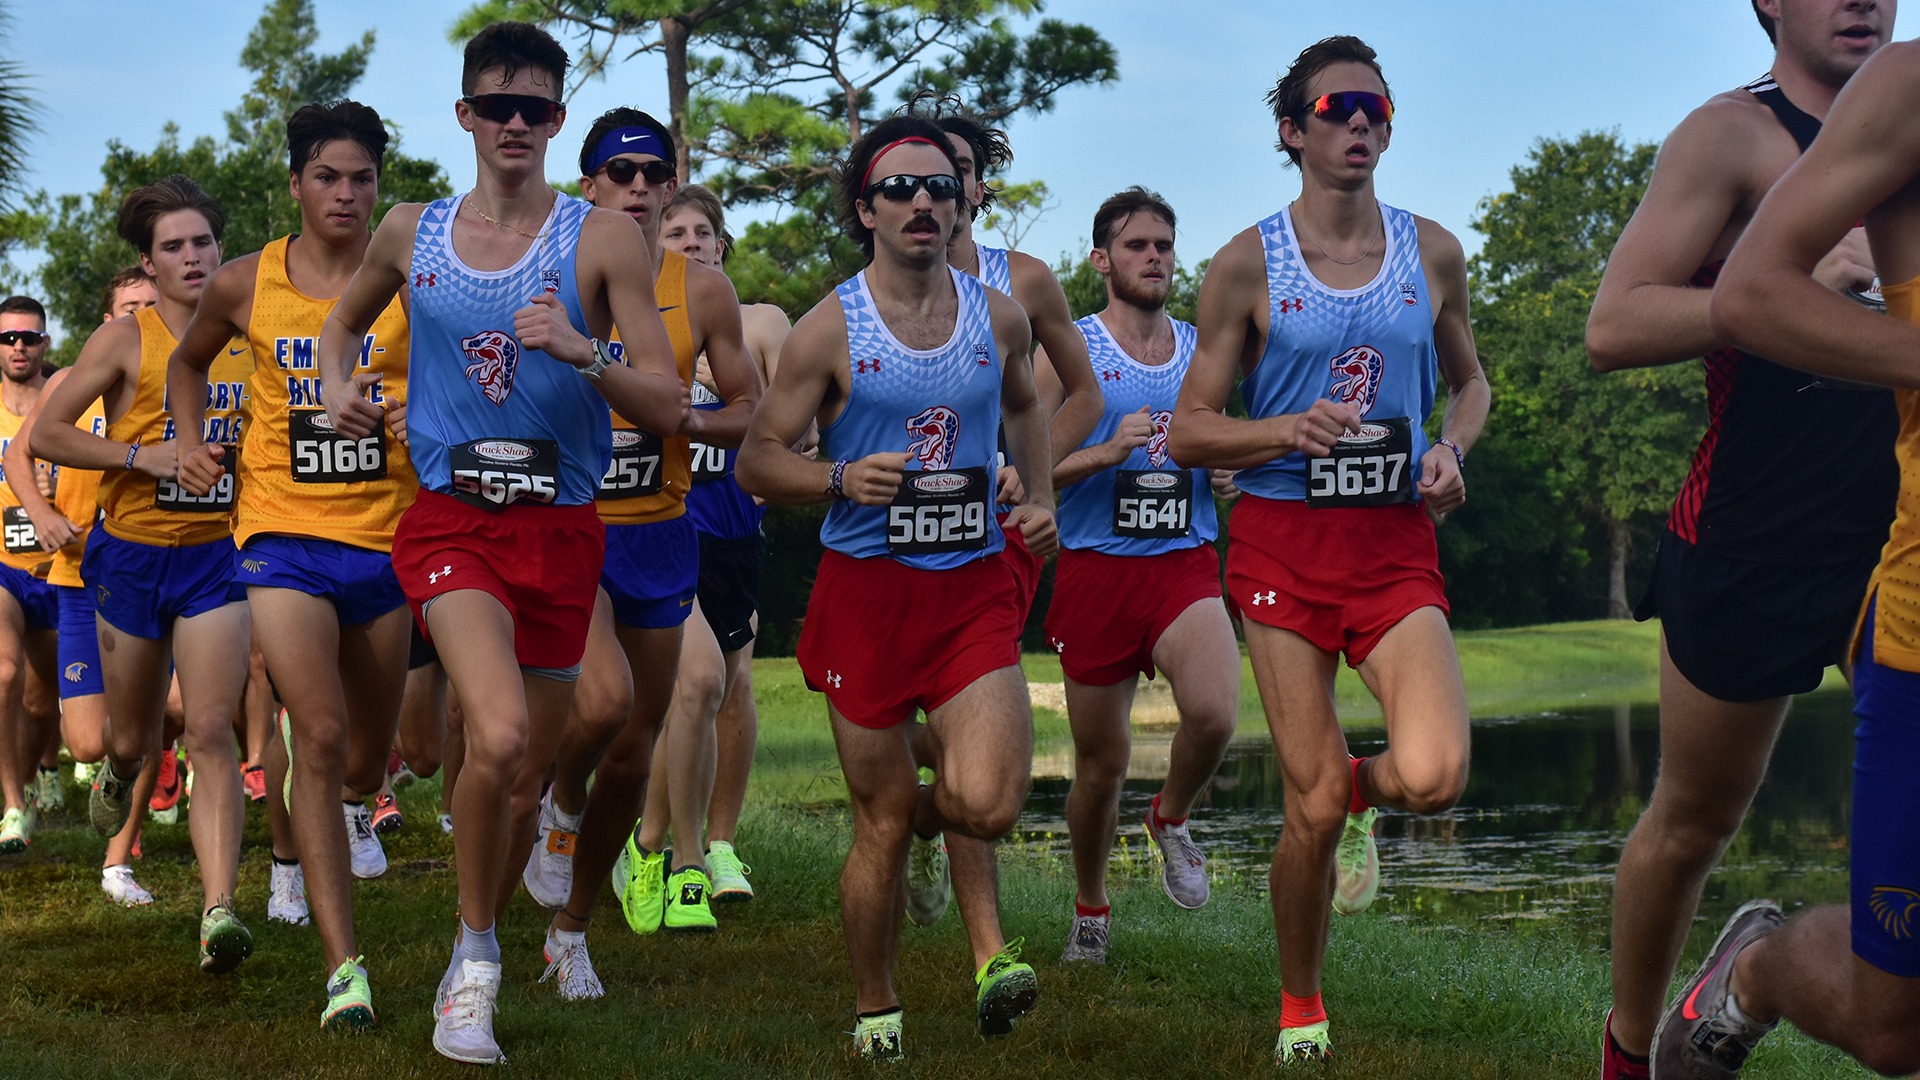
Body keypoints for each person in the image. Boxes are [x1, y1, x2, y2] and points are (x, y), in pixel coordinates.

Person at [310, 21, 686, 1063]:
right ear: (467, 115)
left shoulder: (604, 237)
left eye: (536, 108)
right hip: (450, 523)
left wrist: (586, 349)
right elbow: (342, 327)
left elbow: (664, 404)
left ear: (557, 124)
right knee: (506, 734)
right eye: (497, 104)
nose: (516, 122)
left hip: (562, 529)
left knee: (524, 776)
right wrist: (340, 384)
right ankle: (472, 967)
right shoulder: (408, 228)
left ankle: (491, 926)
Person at [1583, 4, 1897, 1077]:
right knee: (1691, 824)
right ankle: (1637, 1051)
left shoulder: (1910, 122)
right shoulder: (1731, 136)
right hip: (1750, 543)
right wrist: (1774, 292)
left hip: (1894, 544)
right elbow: (1613, 325)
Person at [1169, 35, 1488, 1063]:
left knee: (1435, 774)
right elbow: (1188, 429)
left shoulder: (1433, 251)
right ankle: (1300, 1003)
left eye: (1378, 111)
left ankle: (1360, 791)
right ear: (1293, 130)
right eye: (1341, 108)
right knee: (1303, 807)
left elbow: (1471, 382)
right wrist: (1281, 430)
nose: (1362, 124)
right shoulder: (1242, 263)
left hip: (1394, 545)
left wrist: (1448, 446)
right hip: (1281, 547)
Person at [736, 114, 1056, 1060]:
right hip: (866, 592)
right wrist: (841, 476)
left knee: (991, 802)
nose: (924, 202)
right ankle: (878, 1011)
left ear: (960, 206)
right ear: (866, 210)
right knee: (879, 821)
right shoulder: (826, 329)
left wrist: (1030, 491)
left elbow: (1026, 405)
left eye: (940, 189)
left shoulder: (997, 315)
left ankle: (952, 854)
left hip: (968, 586)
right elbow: (758, 460)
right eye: (901, 190)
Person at [1661, 26, 1920, 1079]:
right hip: (1862, 592)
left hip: (1851, 550)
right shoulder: (1897, 95)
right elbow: (1747, 293)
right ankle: (1748, 978)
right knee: (1895, 1029)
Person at [169, 99, 414, 1030]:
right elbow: (188, 367)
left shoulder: (408, 281)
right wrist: (194, 445)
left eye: (361, 179)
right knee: (312, 733)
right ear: (295, 185)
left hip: (386, 539)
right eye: (328, 177)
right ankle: (342, 966)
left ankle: (344, 812)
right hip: (279, 534)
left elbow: (460, 376)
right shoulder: (245, 282)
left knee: (362, 759)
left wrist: (405, 414)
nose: (346, 194)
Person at [518, 107, 757, 998]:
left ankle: (573, 927)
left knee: (640, 736)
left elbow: (750, 411)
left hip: (660, 530)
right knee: (601, 704)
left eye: (655, 174)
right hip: (568, 523)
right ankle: (560, 807)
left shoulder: (701, 289)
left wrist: (683, 418)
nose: (640, 189)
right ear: (589, 186)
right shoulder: (545, 271)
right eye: (619, 174)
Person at [31, 175, 257, 974]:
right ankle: (123, 772)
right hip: (128, 557)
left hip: (218, 558)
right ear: (149, 263)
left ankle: (218, 909)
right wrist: (142, 455)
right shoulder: (127, 340)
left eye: (203, 242)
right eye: (174, 247)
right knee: (125, 739)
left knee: (208, 729)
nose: (193, 257)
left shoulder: (252, 328)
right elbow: (44, 435)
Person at [1041, 189, 1238, 964]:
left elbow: (1224, 440)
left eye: (1164, 244)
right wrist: (1103, 452)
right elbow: (1026, 473)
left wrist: (1225, 470)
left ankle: (1172, 817)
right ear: (1102, 261)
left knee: (1217, 714)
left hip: (1182, 562)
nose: (1155, 257)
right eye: (1137, 246)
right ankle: (1091, 908)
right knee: (1100, 766)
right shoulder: (1070, 353)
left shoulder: (1201, 348)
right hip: (1094, 570)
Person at [4, 271, 162, 903]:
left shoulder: (192, 373)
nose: (145, 317)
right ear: (107, 321)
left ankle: (117, 861)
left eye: (153, 306)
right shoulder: (72, 383)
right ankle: (126, 763)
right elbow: (20, 453)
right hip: (75, 578)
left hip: (152, 571)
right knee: (90, 741)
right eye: (131, 308)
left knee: (165, 716)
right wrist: (41, 513)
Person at [657, 183, 791, 903]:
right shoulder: (644, 322)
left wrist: (749, 412)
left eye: (701, 231)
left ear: (722, 241)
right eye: (674, 232)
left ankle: (722, 843)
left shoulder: (762, 321)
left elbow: (803, 424)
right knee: (686, 686)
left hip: (738, 527)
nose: (690, 242)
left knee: (734, 685)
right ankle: (659, 846)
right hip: (669, 526)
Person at [0, 295, 60, 854]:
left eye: (29, 336)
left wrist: (55, 494)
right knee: (3, 670)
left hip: (58, 567)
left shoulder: (67, 399)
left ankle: (44, 769)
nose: (18, 345)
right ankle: (12, 804)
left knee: (42, 705)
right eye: (8, 337)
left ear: (45, 342)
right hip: (3, 569)